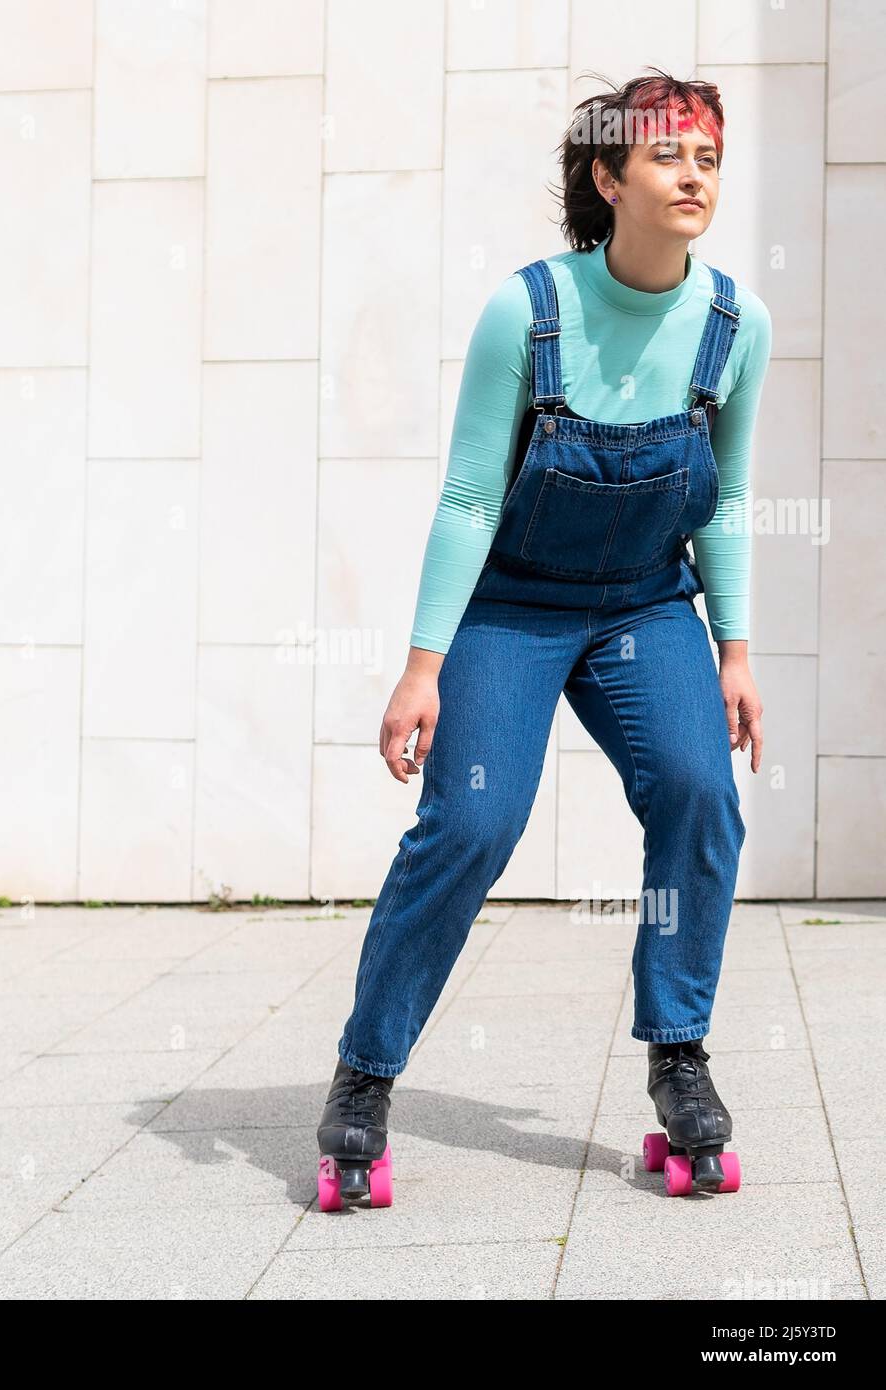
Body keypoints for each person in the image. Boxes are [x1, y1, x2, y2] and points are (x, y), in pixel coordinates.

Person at [316, 69, 772, 1205]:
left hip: (644, 605)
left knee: (699, 792)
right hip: (512, 603)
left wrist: (735, 646)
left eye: (708, 159)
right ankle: (364, 1074)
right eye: (667, 156)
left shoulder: (733, 325)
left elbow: (726, 498)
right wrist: (422, 666)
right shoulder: (526, 312)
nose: (692, 176)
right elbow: (471, 499)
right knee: (471, 821)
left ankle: (679, 1055)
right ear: (607, 177)